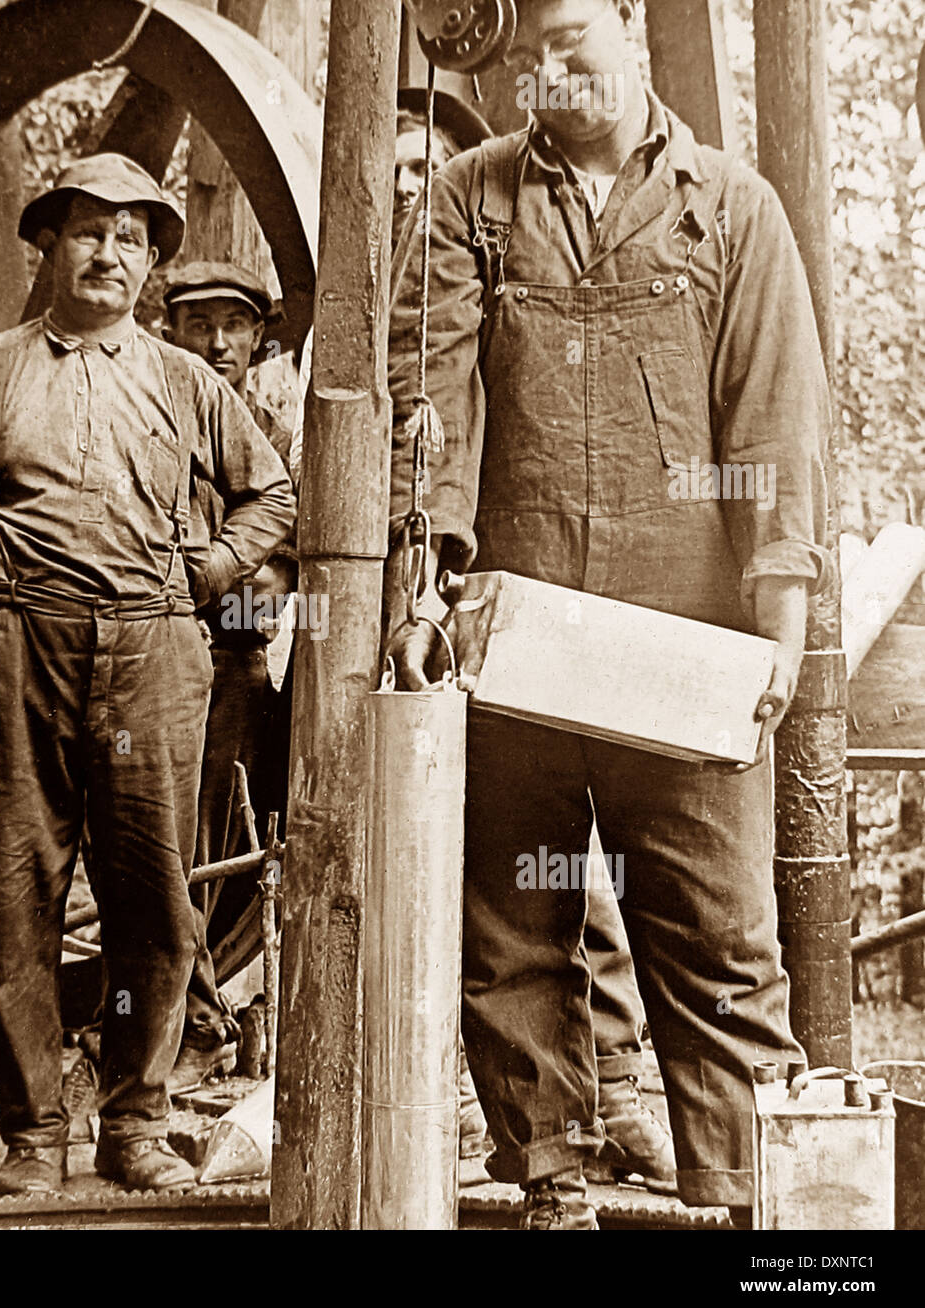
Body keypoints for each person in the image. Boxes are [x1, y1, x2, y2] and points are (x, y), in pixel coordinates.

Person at [387, 0, 822, 1228]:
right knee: (515, 927)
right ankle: (551, 1188)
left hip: (682, 646)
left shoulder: (729, 208)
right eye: (525, 52)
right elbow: (427, 411)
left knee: (718, 937)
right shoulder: (468, 200)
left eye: (573, 35)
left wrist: (777, 620)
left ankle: (742, 1204)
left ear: (631, 25)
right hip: (509, 627)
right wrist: (424, 584)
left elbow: (774, 430)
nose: (547, 67)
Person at [0, 154, 296, 1195]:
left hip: (155, 652)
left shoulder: (186, 381)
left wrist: (208, 569)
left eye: (129, 238)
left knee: (153, 902)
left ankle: (135, 1125)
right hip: (20, 651)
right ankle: (30, 1138)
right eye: (86, 232)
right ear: (49, 246)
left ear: (151, 262)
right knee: (19, 897)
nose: (107, 252)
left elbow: (273, 499)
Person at [393, 87, 675, 1181]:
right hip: (442, 607)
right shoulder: (375, 314)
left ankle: (613, 1091)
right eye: (402, 180)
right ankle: (538, 1146)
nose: (423, 195)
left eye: (437, 176)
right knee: (503, 895)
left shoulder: (540, 269)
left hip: (566, 596)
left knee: (589, 881)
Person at [161, 260, 297, 1090]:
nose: (217, 343)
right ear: (168, 329)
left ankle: (209, 1018)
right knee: (163, 843)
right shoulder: (148, 411)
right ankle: (181, 1017)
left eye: (234, 327)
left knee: (227, 841)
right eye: (198, 325)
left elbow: (288, 559)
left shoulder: (274, 436)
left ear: (256, 338)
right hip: (148, 656)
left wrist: (253, 589)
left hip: (236, 668)